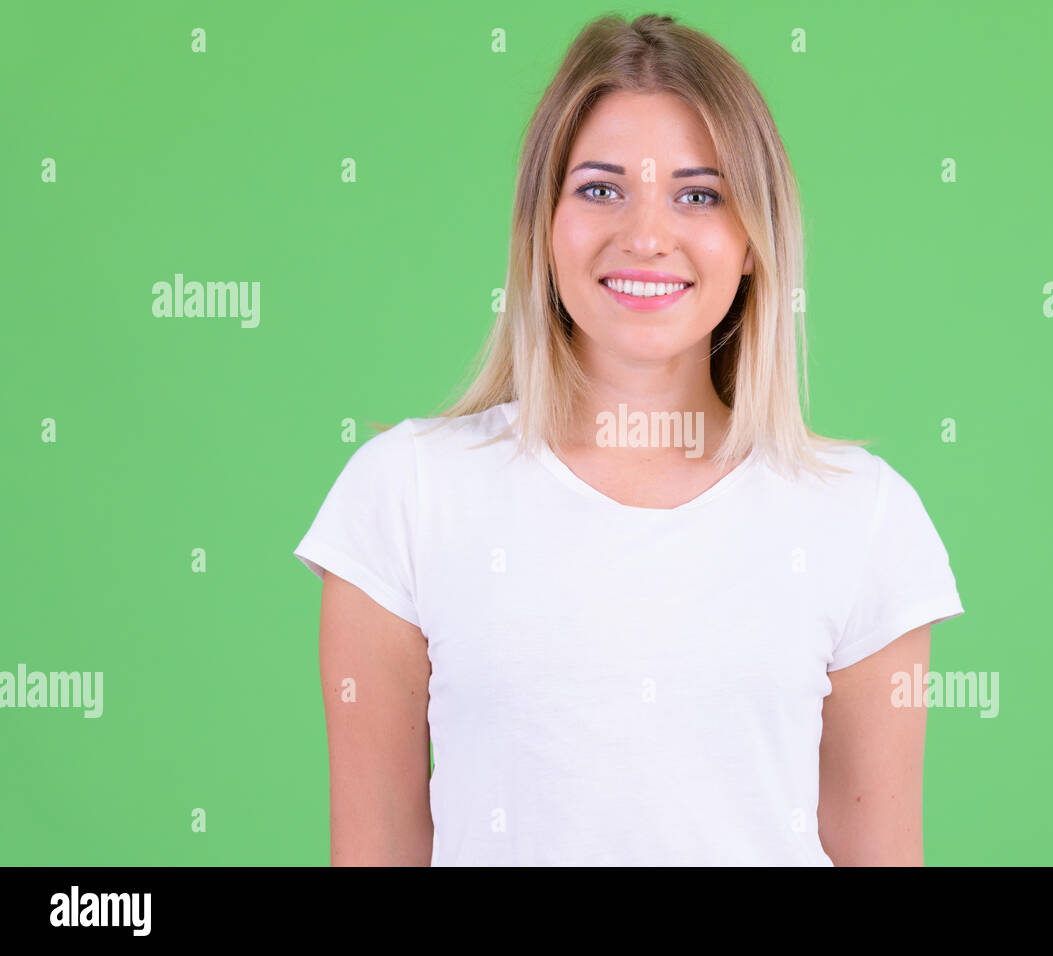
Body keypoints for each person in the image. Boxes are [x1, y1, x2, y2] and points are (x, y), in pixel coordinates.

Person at [293, 13, 964, 866]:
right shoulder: (406, 495)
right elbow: (376, 850)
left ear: (753, 240)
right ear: (544, 224)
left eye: (699, 193)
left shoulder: (864, 517)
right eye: (601, 188)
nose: (646, 235)